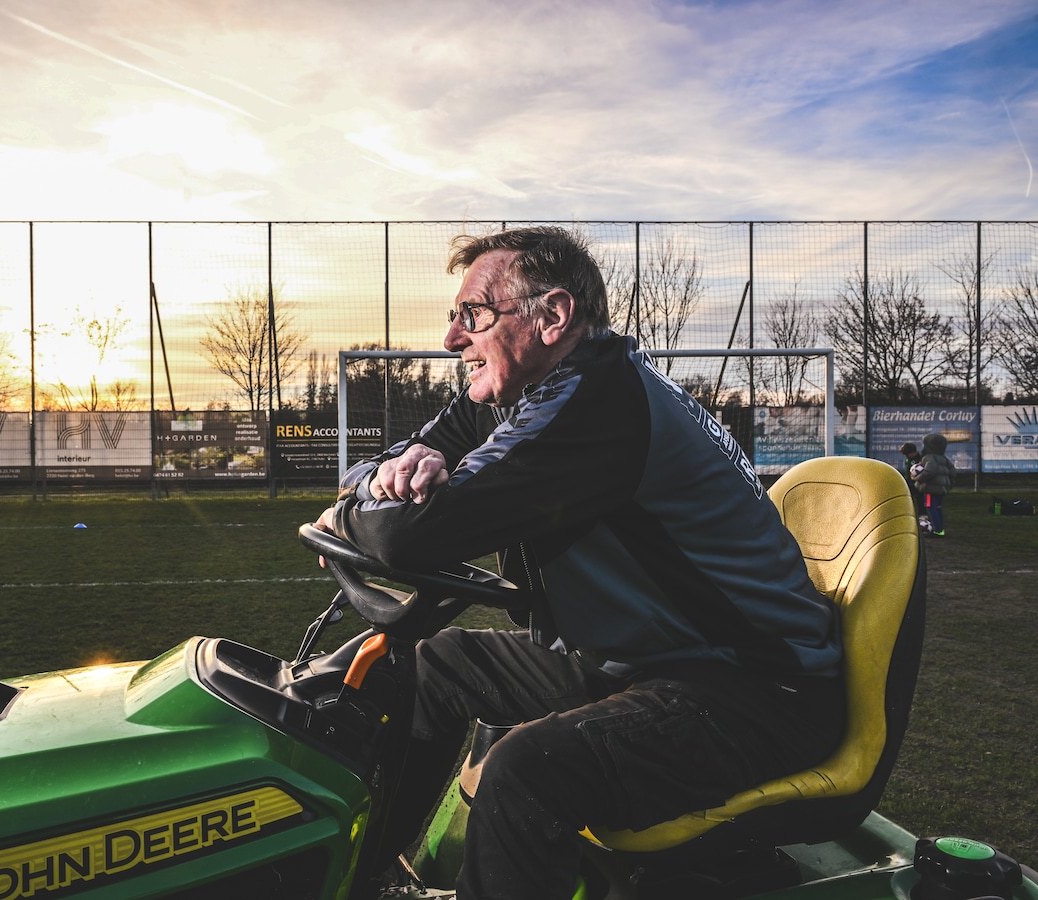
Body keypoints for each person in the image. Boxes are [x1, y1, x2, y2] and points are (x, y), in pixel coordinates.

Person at [315, 226, 845, 900]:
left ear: (553, 316)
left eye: (474, 315)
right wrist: (387, 475)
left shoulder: (595, 402)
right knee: (427, 664)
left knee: (524, 772)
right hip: (646, 664)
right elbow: (379, 468)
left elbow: (408, 539)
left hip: (752, 693)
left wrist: (355, 510)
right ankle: (376, 877)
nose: (453, 339)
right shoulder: (516, 395)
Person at [913, 432, 955, 537]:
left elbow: (930, 471)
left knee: (930, 507)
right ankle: (940, 530)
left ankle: (936, 530)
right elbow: (952, 471)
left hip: (930, 488)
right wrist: (949, 484)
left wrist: (917, 479)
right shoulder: (943, 458)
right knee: (938, 507)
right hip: (941, 489)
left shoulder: (929, 458)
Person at [899, 441, 926, 518]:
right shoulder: (907, 459)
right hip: (908, 482)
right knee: (908, 499)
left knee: (920, 499)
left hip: (917, 483)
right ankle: (908, 513)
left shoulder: (920, 460)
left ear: (913, 452)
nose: (906, 456)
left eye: (907, 454)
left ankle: (922, 514)